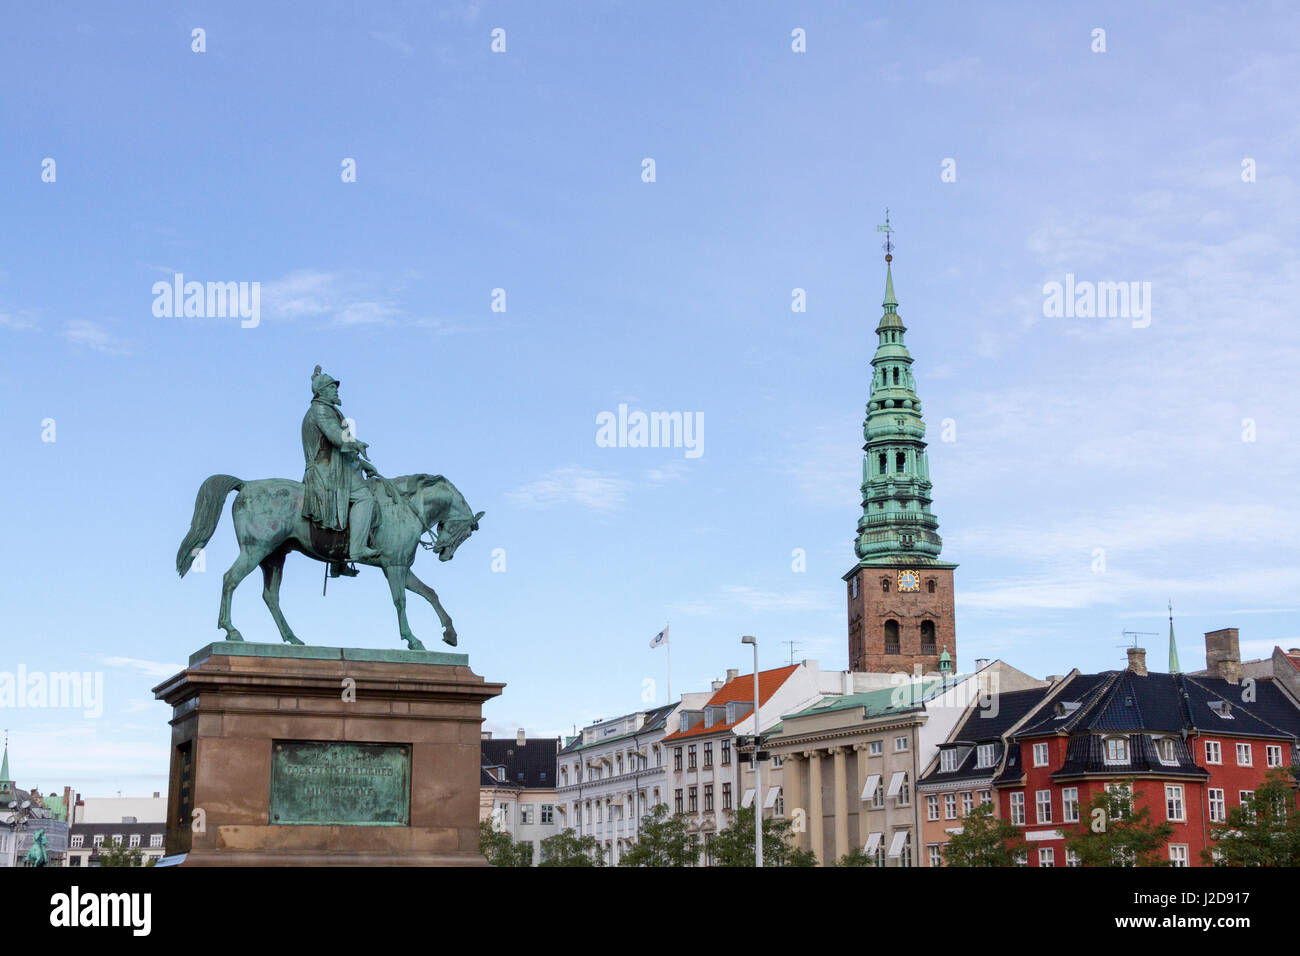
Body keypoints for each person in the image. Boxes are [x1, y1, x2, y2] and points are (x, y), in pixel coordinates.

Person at [301, 366, 383, 566]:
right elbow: (336, 437)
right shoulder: (321, 410)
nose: (336, 390)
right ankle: (357, 549)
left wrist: (362, 464)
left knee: (349, 505)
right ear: (322, 391)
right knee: (364, 498)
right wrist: (356, 443)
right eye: (332, 387)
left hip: (333, 468)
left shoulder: (328, 410)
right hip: (325, 471)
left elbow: (338, 446)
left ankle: (340, 563)